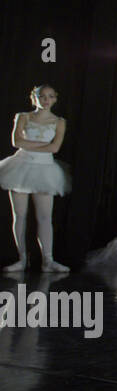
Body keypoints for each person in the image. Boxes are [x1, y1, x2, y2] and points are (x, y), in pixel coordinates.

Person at [0, 85, 72, 273]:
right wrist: (42, 145)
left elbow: (55, 148)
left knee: (44, 217)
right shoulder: (23, 117)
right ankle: (22, 259)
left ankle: (48, 260)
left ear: (55, 99)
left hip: (45, 169)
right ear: (34, 98)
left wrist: (31, 146)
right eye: (42, 96)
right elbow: (16, 142)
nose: (46, 100)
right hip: (20, 166)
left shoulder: (59, 122)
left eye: (50, 96)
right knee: (20, 215)